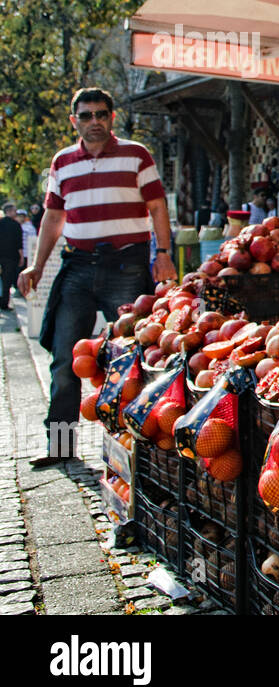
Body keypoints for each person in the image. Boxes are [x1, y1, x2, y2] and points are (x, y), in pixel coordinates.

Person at [17, 88, 177, 467]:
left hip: (127, 263)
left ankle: (144, 446)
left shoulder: (136, 155)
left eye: (101, 114)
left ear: (112, 117)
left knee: (136, 356)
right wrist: (36, 266)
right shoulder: (63, 162)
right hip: (77, 266)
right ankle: (59, 445)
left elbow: (157, 206)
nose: (94, 121)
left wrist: (165, 255)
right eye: (86, 115)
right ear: (74, 121)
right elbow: (53, 219)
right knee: (64, 359)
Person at [0, 203, 20, 311]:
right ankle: (4, 303)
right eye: (14, 210)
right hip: (11, 257)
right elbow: (19, 244)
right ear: (9, 211)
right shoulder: (16, 225)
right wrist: (21, 257)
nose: (15, 212)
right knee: (7, 281)